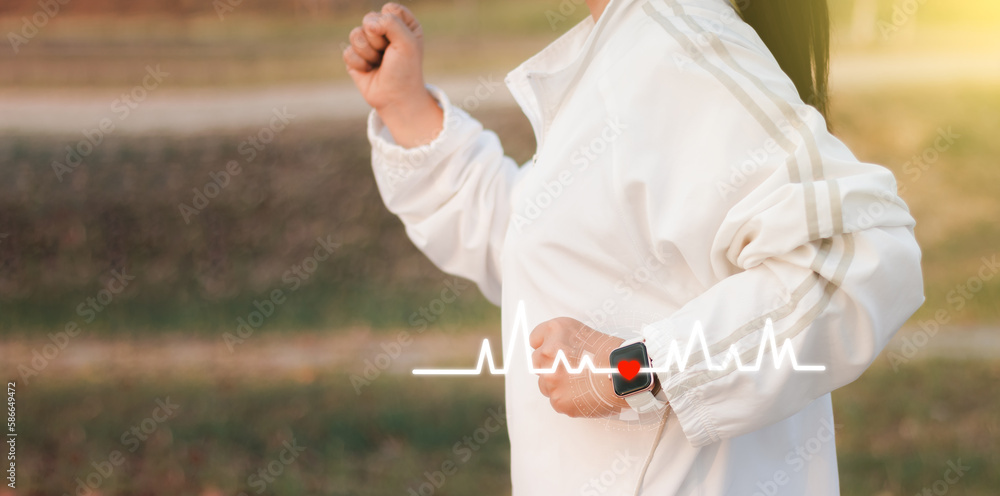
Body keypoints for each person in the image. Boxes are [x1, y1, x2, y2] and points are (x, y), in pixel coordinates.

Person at [343, 0, 924, 494]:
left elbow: (854, 259)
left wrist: (632, 369)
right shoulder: (629, 44)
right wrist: (407, 109)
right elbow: (551, 251)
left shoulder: (675, 43)